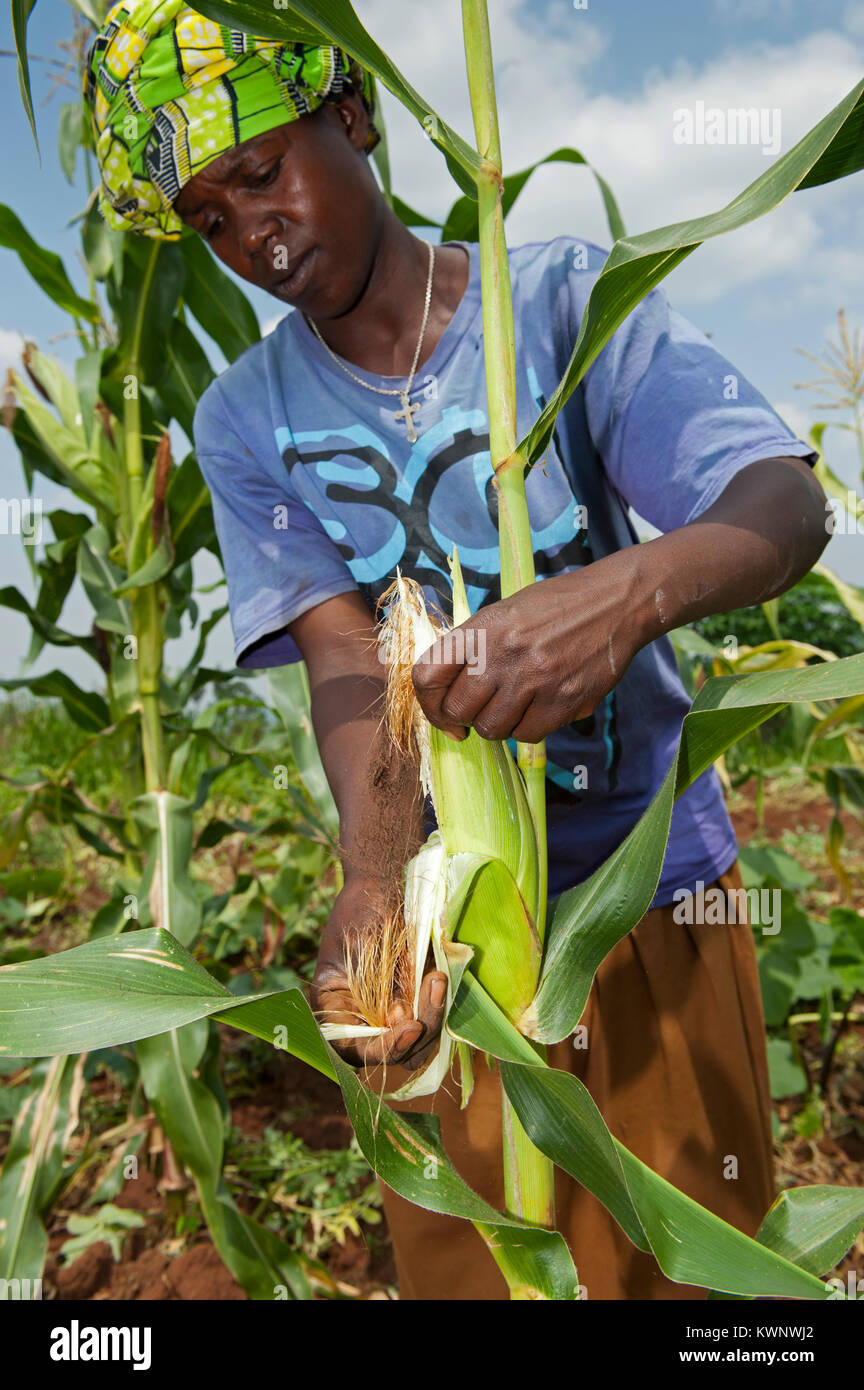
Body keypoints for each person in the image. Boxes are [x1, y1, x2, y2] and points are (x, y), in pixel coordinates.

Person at [84, 1, 830, 1299]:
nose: (250, 233)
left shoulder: (555, 301)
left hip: (646, 898)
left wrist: (620, 599)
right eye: (210, 218)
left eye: (261, 173)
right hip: (450, 947)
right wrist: (374, 886)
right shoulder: (245, 419)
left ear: (355, 117)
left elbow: (781, 501)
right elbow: (339, 665)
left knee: (696, 1276)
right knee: (484, 1265)